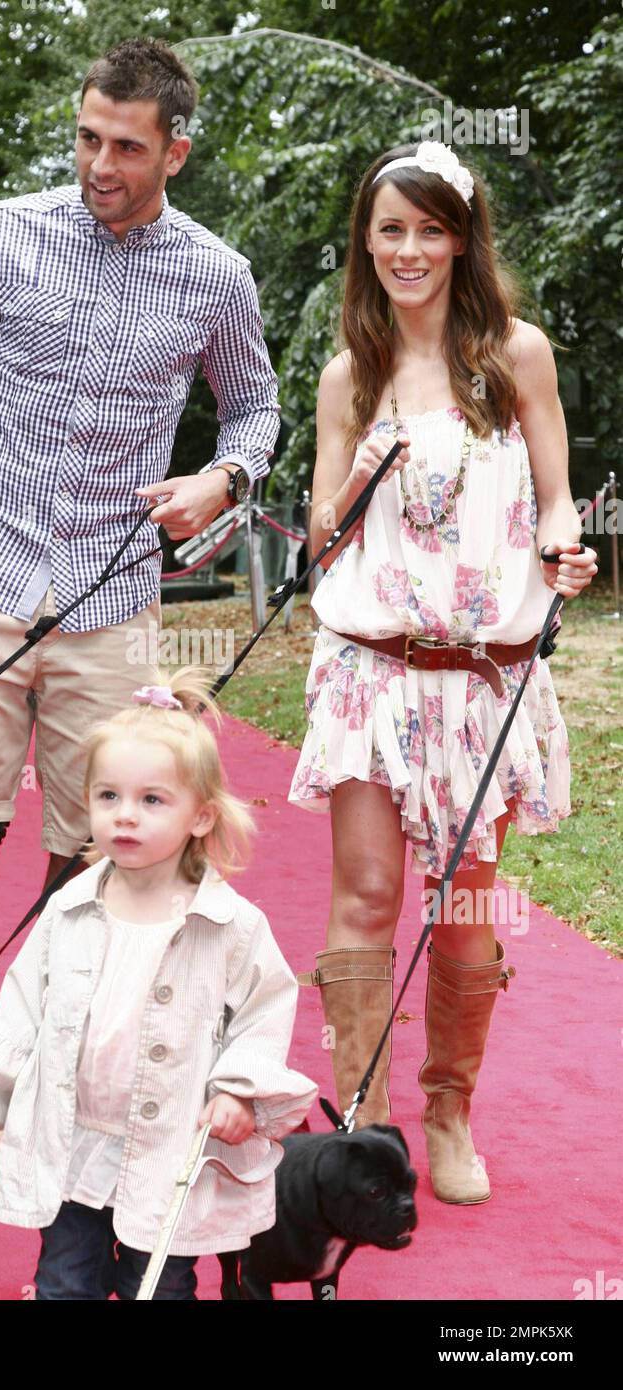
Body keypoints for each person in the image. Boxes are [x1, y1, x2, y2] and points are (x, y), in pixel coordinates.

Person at [0, 37, 279, 1087]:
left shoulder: (215, 275)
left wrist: (226, 477)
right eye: (85, 137)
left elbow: (257, 406)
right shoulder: (1, 238)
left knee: (105, 848)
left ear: (175, 153)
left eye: (124, 145)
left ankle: (51, 1051)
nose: (98, 162)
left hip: (112, 604)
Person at [288, 142, 598, 1206]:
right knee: (366, 892)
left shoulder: (517, 355)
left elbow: (556, 495)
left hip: (484, 678)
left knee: (466, 907)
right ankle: (360, 1135)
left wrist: (565, 547)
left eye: (429, 229)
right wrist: (362, 470)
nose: (408, 250)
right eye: (389, 230)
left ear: (461, 238)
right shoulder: (349, 373)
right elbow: (321, 538)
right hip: (373, 669)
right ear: (364, 243)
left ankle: (450, 1110)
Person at [0, 668, 317, 1300]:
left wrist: (238, 1092)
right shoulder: (67, 909)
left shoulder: (231, 924)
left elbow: (265, 1008)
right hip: (73, 1141)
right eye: (107, 796)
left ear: (201, 817)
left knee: (161, 1286)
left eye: (152, 800)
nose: (125, 816)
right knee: (63, 1281)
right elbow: (24, 1006)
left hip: (170, 1153)